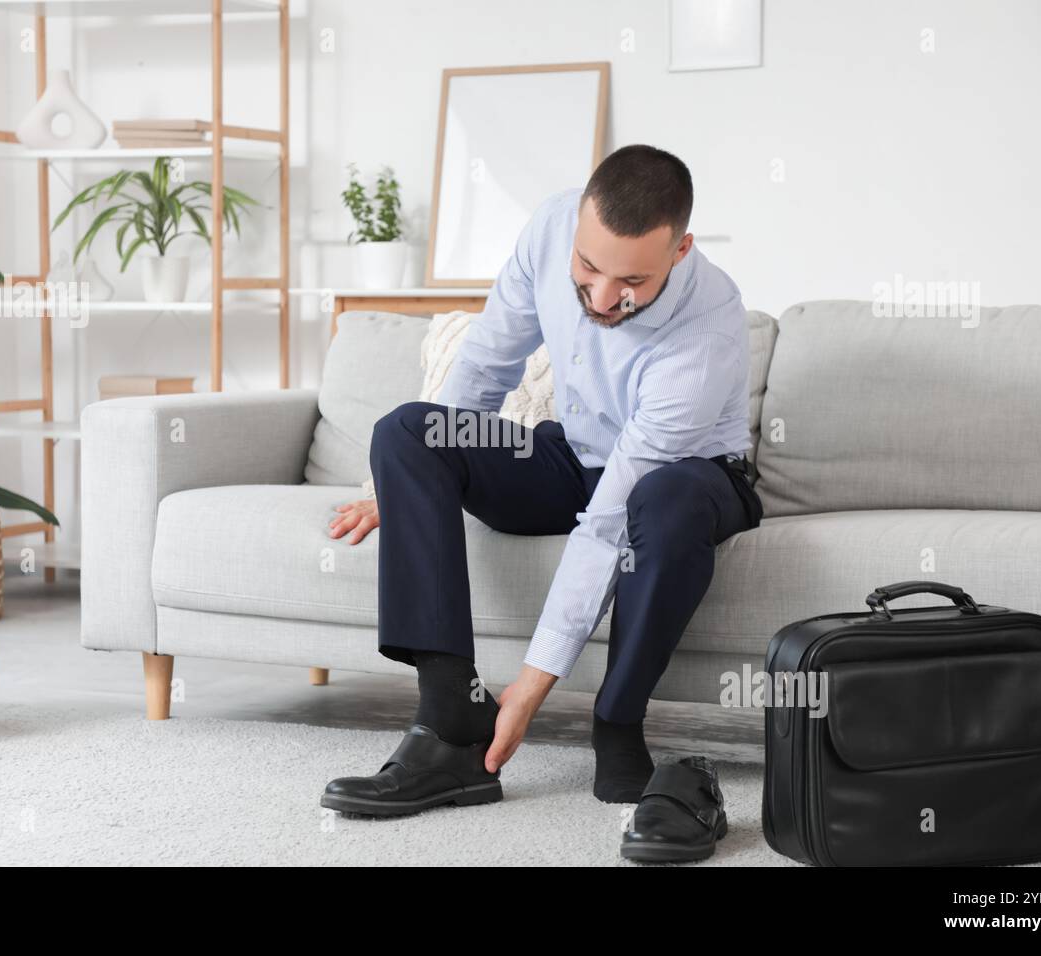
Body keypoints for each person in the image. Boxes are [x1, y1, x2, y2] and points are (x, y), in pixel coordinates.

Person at [320, 144, 763, 817]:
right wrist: (407, 485)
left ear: (680, 250)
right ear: (579, 223)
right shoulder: (552, 227)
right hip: (575, 458)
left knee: (662, 500)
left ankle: (618, 730)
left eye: (632, 283)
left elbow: (610, 521)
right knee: (410, 433)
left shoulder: (708, 325)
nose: (603, 297)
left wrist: (528, 688)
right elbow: (486, 366)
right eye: (588, 268)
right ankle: (450, 727)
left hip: (686, 479)